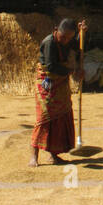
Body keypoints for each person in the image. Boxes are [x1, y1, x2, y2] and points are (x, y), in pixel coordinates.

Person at [30, 18, 84, 167]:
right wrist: (72, 71)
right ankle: (33, 156)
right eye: (63, 37)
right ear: (56, 30)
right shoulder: (49, 42)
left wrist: (82, 34)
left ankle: (54, 155)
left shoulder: (68, 40)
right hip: (47, 83)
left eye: (69, 37)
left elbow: (78, 46)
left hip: (61, 84)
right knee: (44, 118)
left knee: (60, 118)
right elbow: (51, 66)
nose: (66, 40)